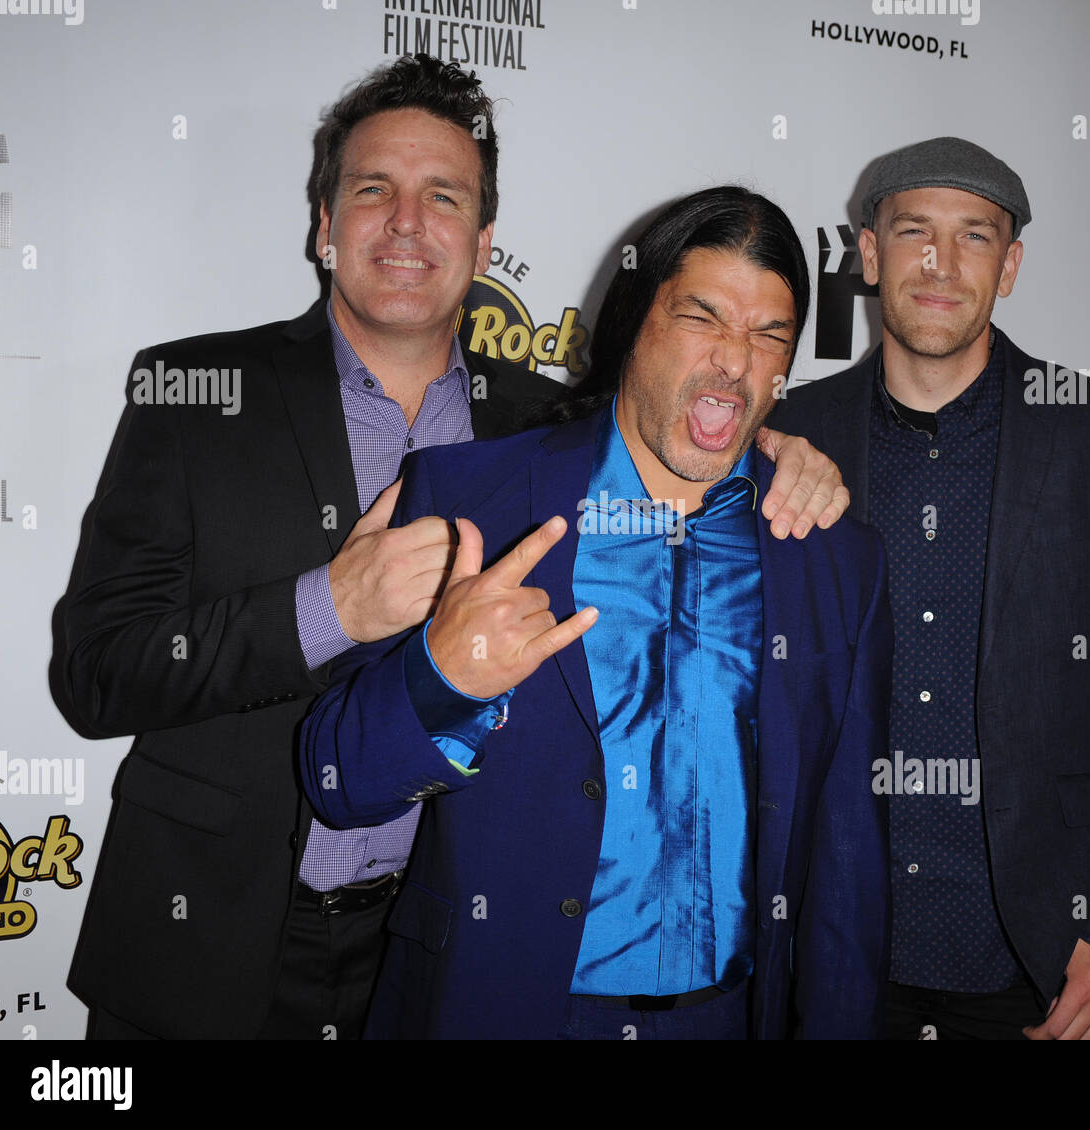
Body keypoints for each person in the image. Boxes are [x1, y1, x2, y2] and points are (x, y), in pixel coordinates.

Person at [53, 56, 850, 1040]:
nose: (404, 222)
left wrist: (779, 444)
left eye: (443, 197)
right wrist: (325, 607)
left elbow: (687, 408)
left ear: (482, 243)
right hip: (209, 937)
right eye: (372, 190)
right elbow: (95, 673)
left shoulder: (538, 427)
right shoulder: (198, 394)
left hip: (431, 950)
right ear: (323, 224)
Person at [300, 186, 893, 1040]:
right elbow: (336, 782)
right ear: (633, 322)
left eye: (770, 336)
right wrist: (440, 680)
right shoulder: (472, 498)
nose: (735, 361)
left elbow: (849, 861)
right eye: (703, 317)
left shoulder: (833, 555)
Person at [769, 136, 1090, 1040]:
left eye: (975, 236)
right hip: (831, 949)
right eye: (914, 231)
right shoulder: (787, 435)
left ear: (1011, 266)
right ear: (869, 253)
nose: (940, 264)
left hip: (1035, 961)